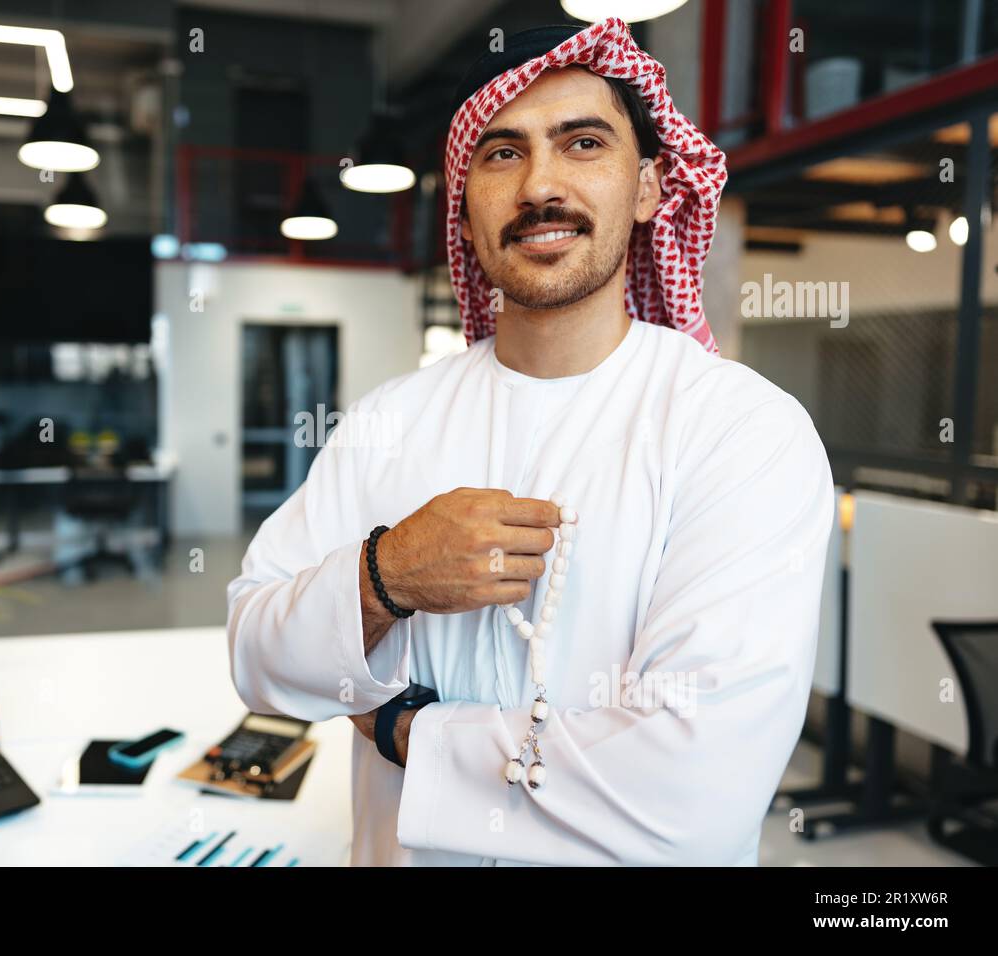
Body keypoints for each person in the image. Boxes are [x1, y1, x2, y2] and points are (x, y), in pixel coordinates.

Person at [226, 19, 835, 865]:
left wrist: (405, 731)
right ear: (465, 208)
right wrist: (384, 574)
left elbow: (691, 794)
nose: (539, 186)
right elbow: (256, 654)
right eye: (502, 153)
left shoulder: (741, 432)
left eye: (583, 142)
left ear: (653, 186)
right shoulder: (386, 421)